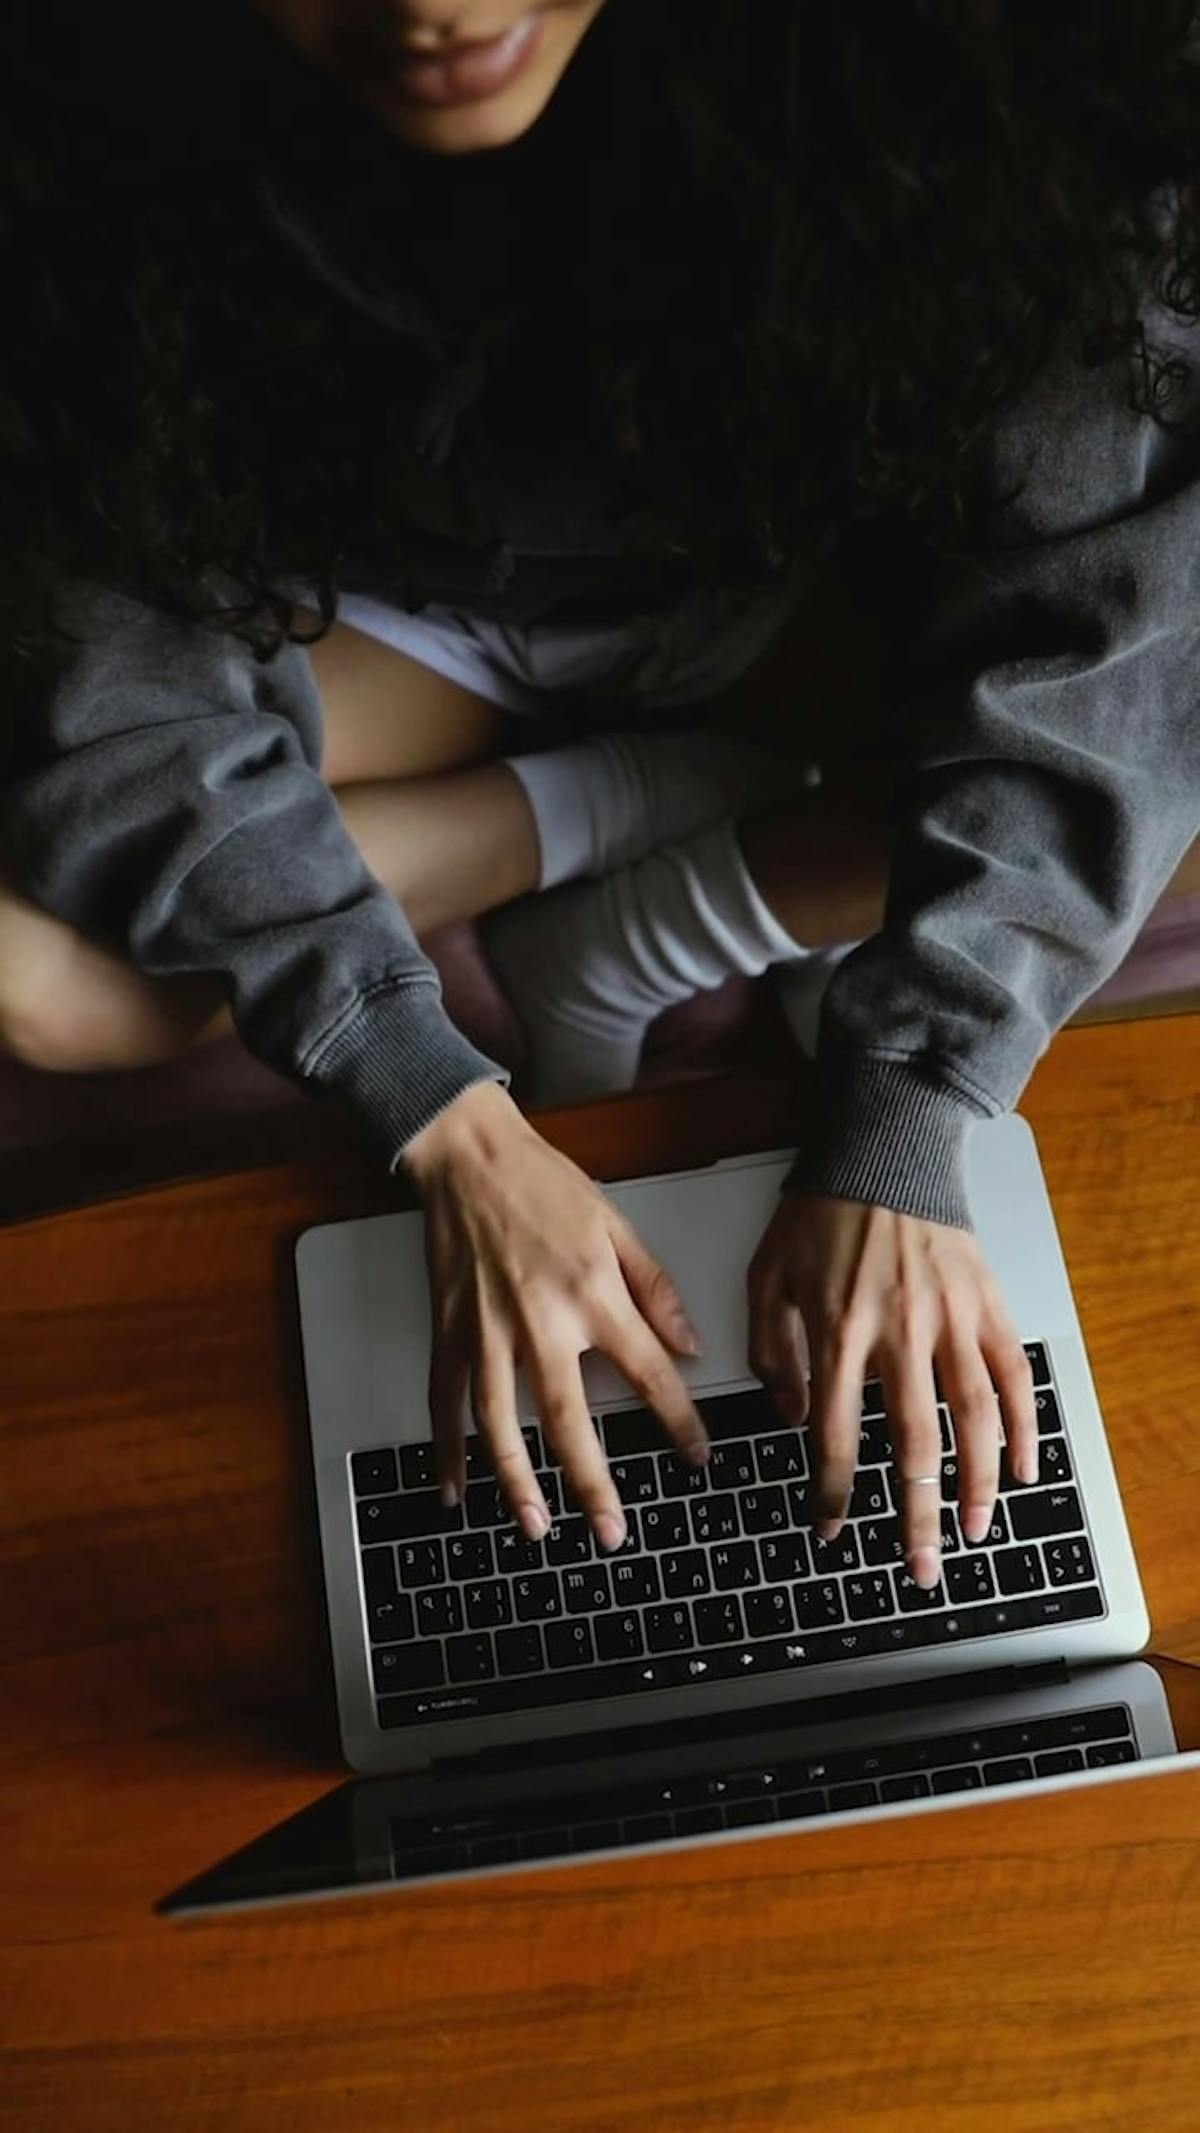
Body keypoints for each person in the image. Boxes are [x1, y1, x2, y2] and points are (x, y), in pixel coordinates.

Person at [1, 1, 1197, 1594]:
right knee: (52, 988)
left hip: (801, 597)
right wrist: (445, 1120)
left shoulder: (996, 79)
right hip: (396, 622)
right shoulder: (67, 134)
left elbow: (1104, 611)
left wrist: (911, 1121)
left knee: (1151, 723)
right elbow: (129, 690)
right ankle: (623, 813)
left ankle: (614, 856)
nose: (430, 6)